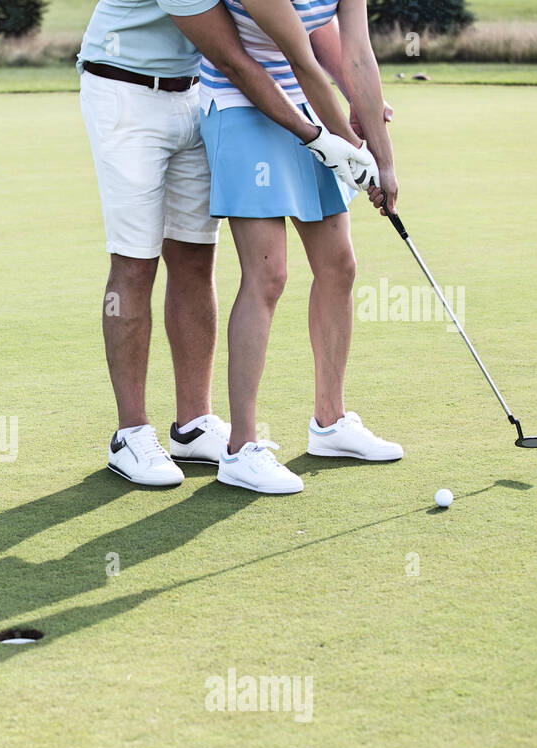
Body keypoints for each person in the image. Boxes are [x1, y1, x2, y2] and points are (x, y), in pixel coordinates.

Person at [78, 0, 376, 487]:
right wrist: (319, 135)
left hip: (194, 93)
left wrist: (355, 102)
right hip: (125, 91)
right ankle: (130, 432)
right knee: (135, 264)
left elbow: (308, 33)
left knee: (195, 257)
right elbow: (238, 59)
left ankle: (193, 425)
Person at [198, 0, 403, 494]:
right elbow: (302, 59)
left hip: (305, 100)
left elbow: (357, 55)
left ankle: (330, 424)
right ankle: (241, 449)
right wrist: (352, 149)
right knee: (268, 274)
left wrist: (384, 158)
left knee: (339, 264)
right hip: (241, 100)